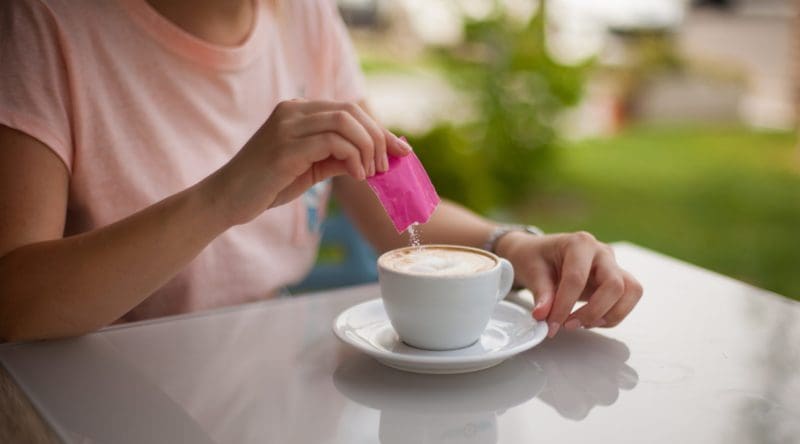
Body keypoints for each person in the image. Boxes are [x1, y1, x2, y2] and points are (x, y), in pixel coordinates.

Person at [0, 0, 642, 342]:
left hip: (259, 379)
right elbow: (14, 305)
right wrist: (223, 197)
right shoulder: (43, 22)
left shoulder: (305, 15)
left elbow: (400, 214)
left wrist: (515, 246)